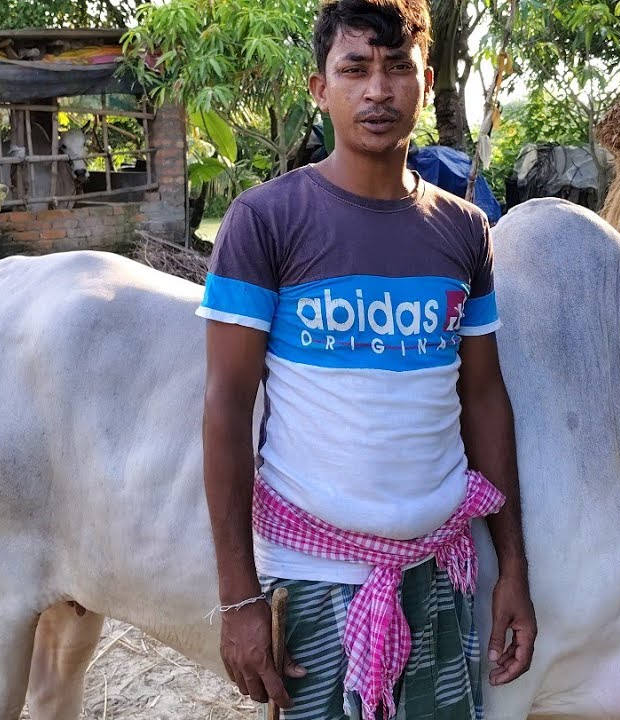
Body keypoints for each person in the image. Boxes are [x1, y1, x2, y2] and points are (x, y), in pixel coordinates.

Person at [197, 1, 536, 717]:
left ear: (426, 80)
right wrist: (238, 598)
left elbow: (483, 399)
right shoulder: (266, 221)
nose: (377, 91)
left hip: (442, 573)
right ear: (319, 89)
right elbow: (227, 406)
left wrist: (513, 569)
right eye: (354, 70)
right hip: (314, 580)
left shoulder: (465, 230)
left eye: (396, 69)